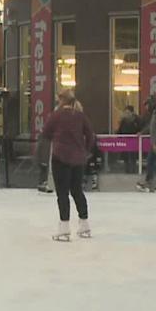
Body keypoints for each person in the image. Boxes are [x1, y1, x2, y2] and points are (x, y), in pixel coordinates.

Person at [41, 89, 96, 241]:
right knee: (77, 190)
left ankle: (64, 228)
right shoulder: (80, 116)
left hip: (61, 157)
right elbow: (90, 134)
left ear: (61, 100)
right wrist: (86, 151)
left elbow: (45, 133)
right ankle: (84, 225)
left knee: (62, 193)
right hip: (78, 159)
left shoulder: (56, 115)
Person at [116, 105, 142, 174]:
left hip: (134, 141)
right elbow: (120, 131)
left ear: (132, 112)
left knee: (133, 157)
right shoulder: (123, 121)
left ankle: (133, 171)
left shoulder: (137, 120)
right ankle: (127, 171)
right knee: (126, 157)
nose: (126, 114)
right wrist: (118, 138)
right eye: (125, 112)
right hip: (125, 141)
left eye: (128, 112)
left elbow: (140, 129)